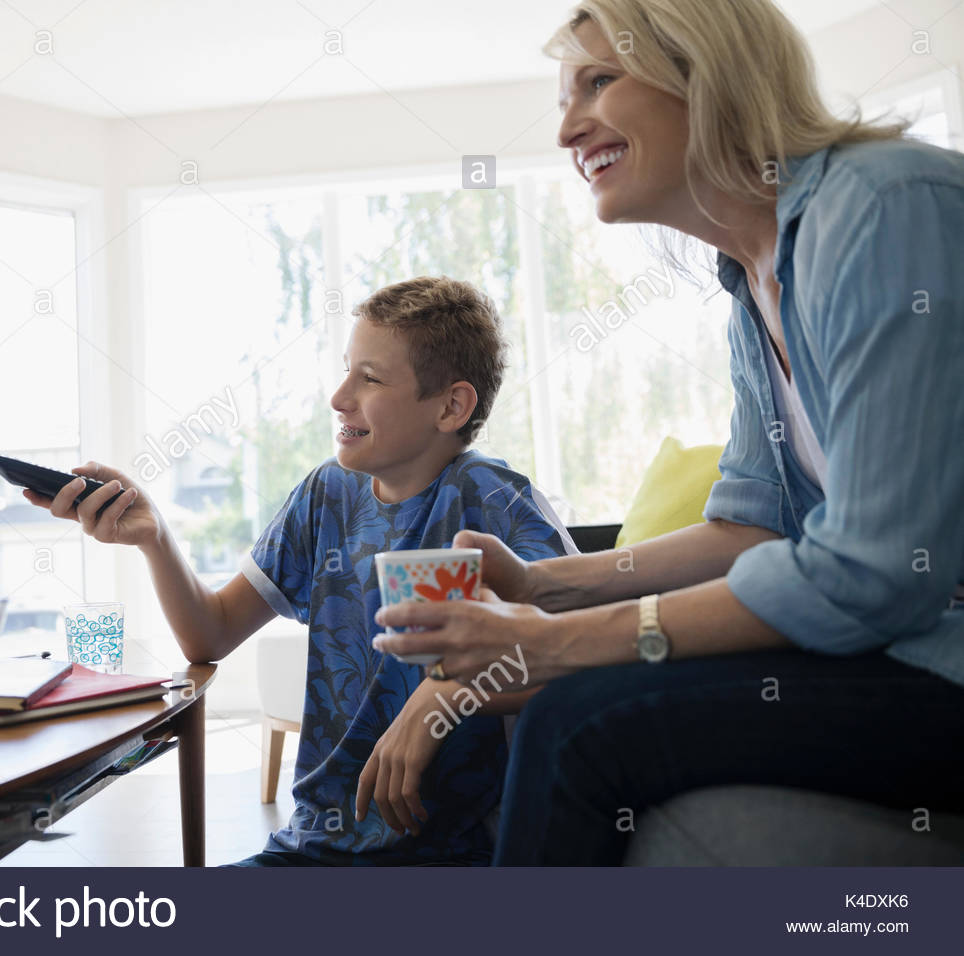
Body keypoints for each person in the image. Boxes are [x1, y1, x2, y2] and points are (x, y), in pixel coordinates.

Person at [374, 0, 964, 865]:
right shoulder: (752, 287)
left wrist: (555, 645)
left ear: (706, 71)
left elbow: (871, 576)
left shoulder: (881, 209)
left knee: (579, 722)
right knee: (565, 707)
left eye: (598, 81)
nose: (570, 127)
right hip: (905, 651)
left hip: (936, 655)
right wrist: (544, 587)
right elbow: (753, 525)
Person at [25, 276, 573, 865]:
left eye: (370, 377)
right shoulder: (325, 494)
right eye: (345, 370)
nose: (339, 397)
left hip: (447, 854)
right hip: (313, 849)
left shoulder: (498, 503)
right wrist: (154, 537)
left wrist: (441, 696)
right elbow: (209, 634)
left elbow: (574, 648)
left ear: (451, 406)